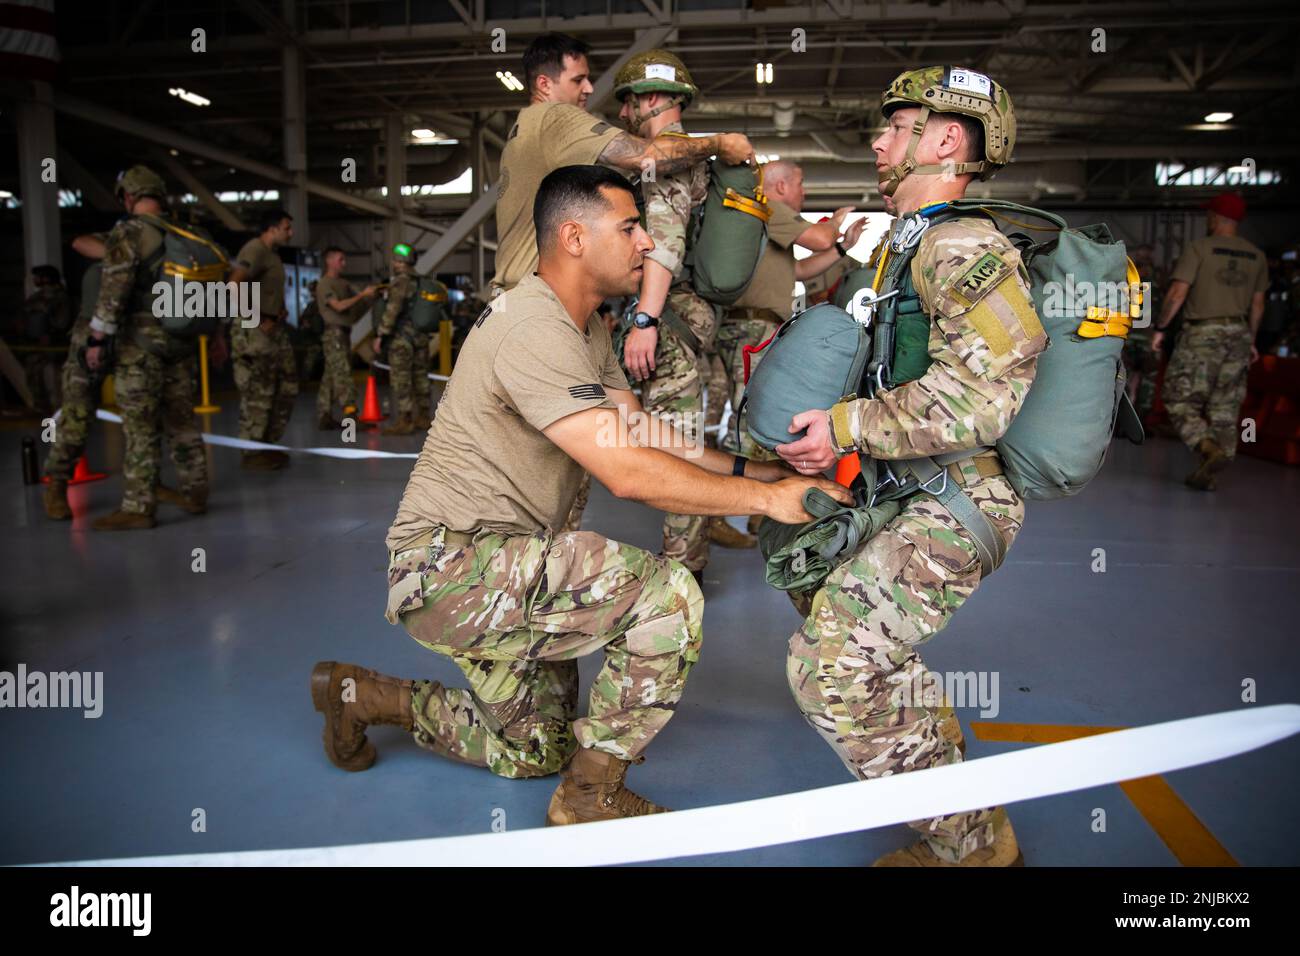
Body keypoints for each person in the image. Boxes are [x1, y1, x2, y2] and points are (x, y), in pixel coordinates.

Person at [311, 164, 846, 825]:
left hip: (510, 558)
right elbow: (625, 471)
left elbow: (639, 426)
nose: (647, 244)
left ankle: (360, 694)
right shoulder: (531, 327)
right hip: (450, 569)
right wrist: (764, 503)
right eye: (628, 228)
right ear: (572, 237)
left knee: (536, 748)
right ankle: (590, 798)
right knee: (667, 595)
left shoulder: (586, 326)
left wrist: (755, 473)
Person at [775, 67, 1044, 866]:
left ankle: (970, 846)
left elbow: (983, 401)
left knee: (832, 667)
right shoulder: (913, 241)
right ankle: (951, 786)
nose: (878, 138)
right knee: (832, 609)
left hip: (960, 498)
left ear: (946, 140)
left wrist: (844, 426)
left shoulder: (964, 244)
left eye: (897, 125)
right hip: (910, 485)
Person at [614, 48, 760, 579]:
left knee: (677, 450)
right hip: (683, 320)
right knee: (674, 441)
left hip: (669, 321)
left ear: (650, 99)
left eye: (629, 101)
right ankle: (686, 564)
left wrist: (645, 322)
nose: (624, 112)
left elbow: (666, 243)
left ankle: (684, 575)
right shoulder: (688, 156)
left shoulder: (669, 158)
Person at [716, 160, 866, 532]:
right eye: (800, 183)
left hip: (752, 323)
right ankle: (754, 507)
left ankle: (756, 508)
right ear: (781, 187)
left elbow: (798, 272)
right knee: (759, 415)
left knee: (756, 412)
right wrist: (837, 222)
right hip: (755, 326)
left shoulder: (763, 225)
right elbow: (819, 239)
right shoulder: (769, 206)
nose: (804, 192)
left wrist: (843, 250)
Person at [82, 165, 211, 530]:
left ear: (129, 196)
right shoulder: (185, 232)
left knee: (140, 427)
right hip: (180, 345)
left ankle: (138, 507)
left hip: (139, 349)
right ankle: (196, 492)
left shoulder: (130, 231)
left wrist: (97, 338)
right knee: (183, 423)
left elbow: (114, 289)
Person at [1152, 192, 1267, 491]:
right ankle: (1212, 469)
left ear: (1215, 218)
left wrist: (1161, 328)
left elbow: (1177, 293)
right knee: (1225, 407)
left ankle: (1205, 446)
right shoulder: (1256, 255)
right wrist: (1251, 340)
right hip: (1239, 335)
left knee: (1178, 398)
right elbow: (1257, 305)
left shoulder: (1199, 248)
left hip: (1203, 334)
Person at [42, 234, 108, 519]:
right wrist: (119, 255)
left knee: (144, 417)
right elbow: (79, 242)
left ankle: (146, 488)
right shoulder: (119, 239)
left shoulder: (162, 243)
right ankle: (57, 484)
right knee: (77, 415)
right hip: (89, 335)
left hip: (133, 337)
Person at [227, 209, 298, 470]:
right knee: (259, 390)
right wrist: (257, 319)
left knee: (285, 386)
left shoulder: (272, 255)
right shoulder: (255, 249)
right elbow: (233, 284)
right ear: (271, 228)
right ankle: (252, 450)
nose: (290, 233)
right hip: (255, 331)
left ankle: (266, 444)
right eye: (286, 227)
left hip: (274, 328)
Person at [315, 248, 378, 430]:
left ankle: (324, 415)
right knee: (343, 375)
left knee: (330, 377)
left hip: (343, 333)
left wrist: (371, 295)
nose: (344, 263)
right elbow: (339, 306)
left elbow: (361, 301)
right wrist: (362, 295)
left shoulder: (343, 283)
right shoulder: (325, 284)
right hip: (333, 334)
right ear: (330, 260)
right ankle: (351, 416)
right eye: (341, 259)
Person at [373, 244, 430, 436]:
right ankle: (423, 416)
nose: (392, 263)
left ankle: (405, 420)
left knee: (401, 379)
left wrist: (381, 334)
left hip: (401, 340)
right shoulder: (421, 280)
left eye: (395, 260)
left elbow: (392, 311)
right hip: (420, 338)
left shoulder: (400, 281)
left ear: (400, 262)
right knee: (421, 376)